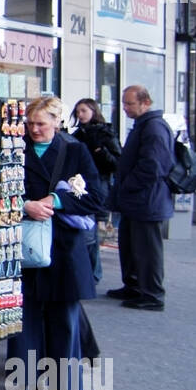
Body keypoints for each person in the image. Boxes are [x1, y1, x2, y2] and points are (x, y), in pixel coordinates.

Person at [6, 96, 104, 390]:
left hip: (64, 247)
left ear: (57, 122)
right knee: (26, 316)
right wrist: (25, 205)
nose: (33, 129)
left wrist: (56, 202)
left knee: (64, 318)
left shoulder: (75, 150)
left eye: (41, 124)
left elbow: (98, 198)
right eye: (30, 123)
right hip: (25, 243)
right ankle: (22, 379)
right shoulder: (13, 147)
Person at [107, 85, 174, 310]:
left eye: (129, 104)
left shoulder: (153, 128)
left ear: (145, 102)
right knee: (131, 246)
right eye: (124, 103)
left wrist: (126, 186)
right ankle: (135, 286)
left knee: (147, 250)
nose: (124, 108)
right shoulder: (144, 126)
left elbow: (153, 166)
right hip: (138, 200)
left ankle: (152, 294)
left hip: (147, 200)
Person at [69, 98, 122, 281]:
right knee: (86, 231)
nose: (80, 115)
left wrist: (99, 150)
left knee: (92, 233)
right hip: (79, 186)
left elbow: (116, 162)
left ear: (93, 110)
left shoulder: (104, 133)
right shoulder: (77, 135)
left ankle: (93, 274)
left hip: (98, 185)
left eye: (83, 110)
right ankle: (88, 273)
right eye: (77, 111)